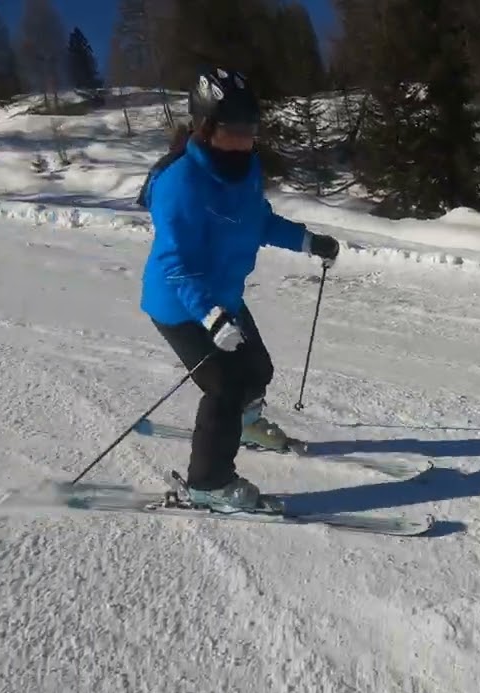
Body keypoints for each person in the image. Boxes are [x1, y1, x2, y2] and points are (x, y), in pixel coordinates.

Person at [136, 66, 340, 512]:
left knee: (258, 369)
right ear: (206, 127)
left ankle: (242, 424)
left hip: (223, 297)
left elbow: (257, 220)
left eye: (252, 130)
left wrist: (307, 240)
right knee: (225, 384)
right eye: (235, 130)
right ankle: (208, 482)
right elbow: (176, 263)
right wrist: (211, 317)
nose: (246, 140)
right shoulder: (180, 183)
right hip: (179, 303)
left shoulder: (246, 169)